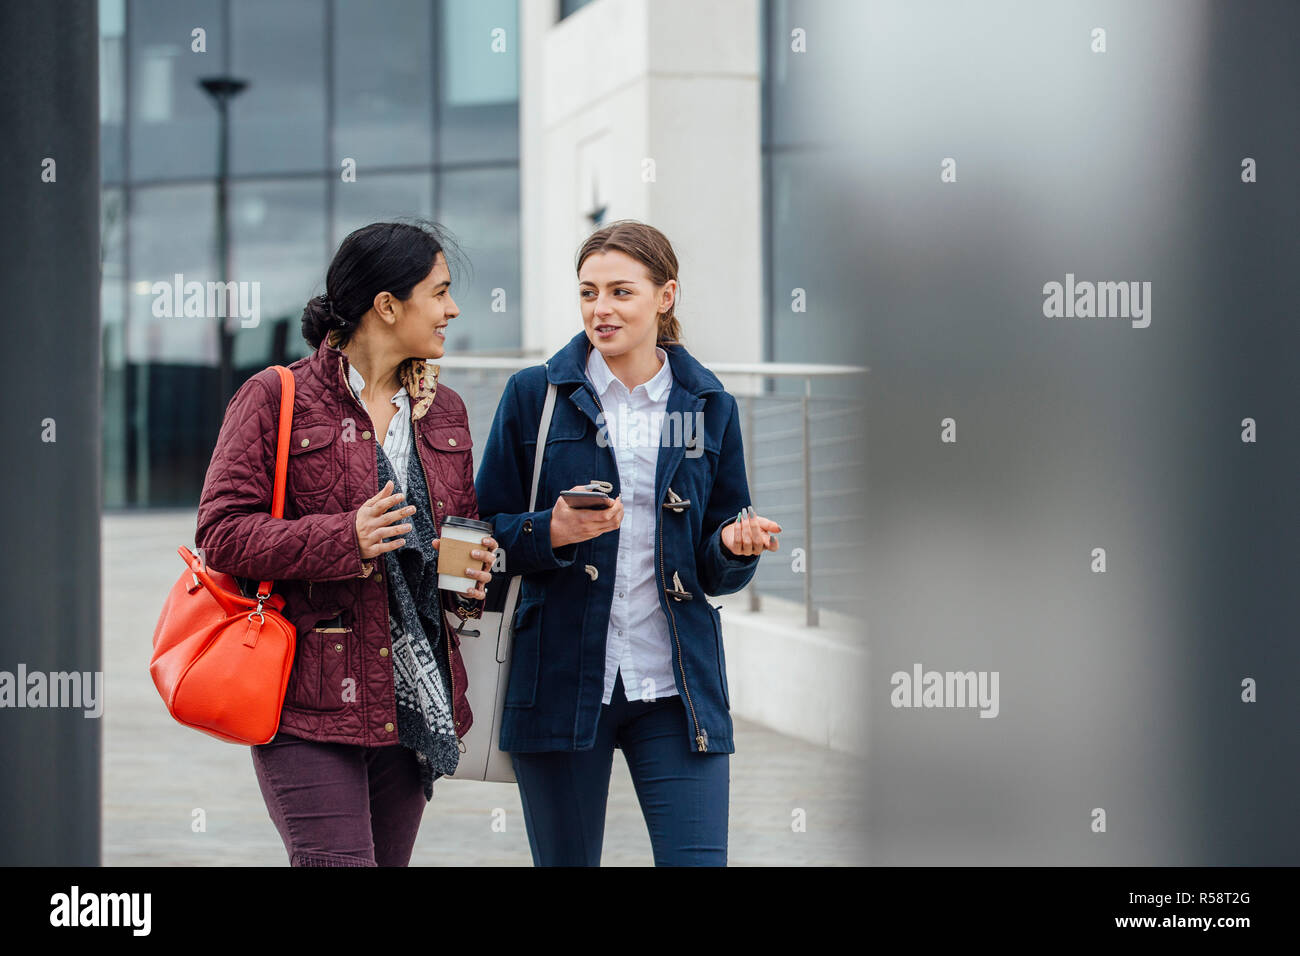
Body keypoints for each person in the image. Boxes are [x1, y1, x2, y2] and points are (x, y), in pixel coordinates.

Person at [475, 220, 782, 866]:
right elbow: (478, 536)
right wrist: (549, 532)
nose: (600, 310)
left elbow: (715, 565)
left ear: (665, 296)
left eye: (620, 292)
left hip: (676, 690)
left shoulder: (707, 407)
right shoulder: (537, 398)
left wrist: (733, 545)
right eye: (588, 293)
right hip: (558, 683)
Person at [195, 220, 497, 866]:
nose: (453, 309)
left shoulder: (444, 413)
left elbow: (458, 532)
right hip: (307, 701)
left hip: (411, 704)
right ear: (387, 307)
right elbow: (219, 532)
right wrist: (345, 538)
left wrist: (469, 574)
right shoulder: (276, 399)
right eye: (439, 293)